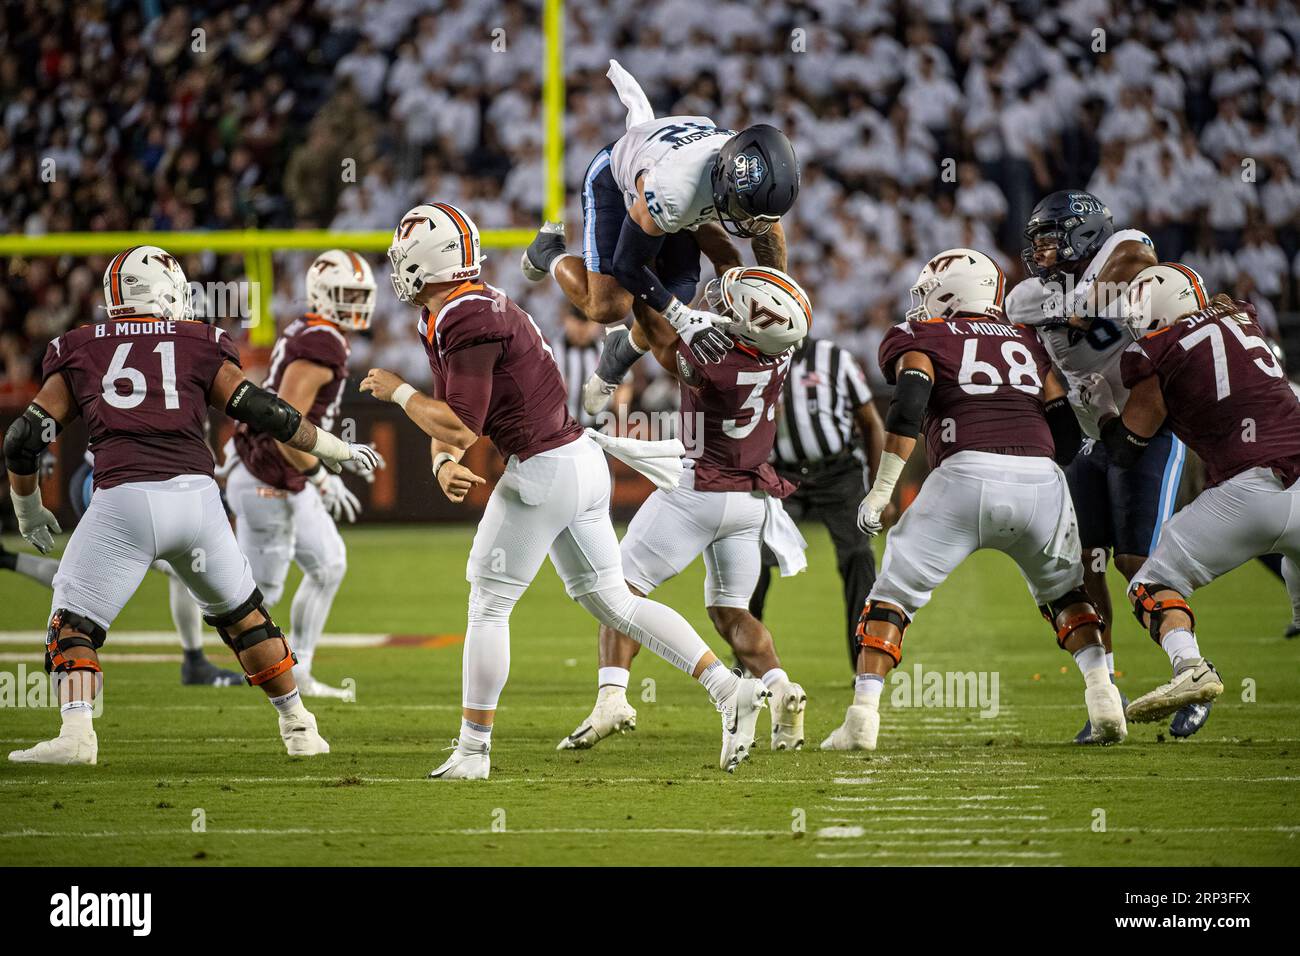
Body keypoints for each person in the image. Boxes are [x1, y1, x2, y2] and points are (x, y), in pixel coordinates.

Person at [361, 202, 771, 778]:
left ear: (431, 261)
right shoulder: (460, 309)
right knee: (616, 603)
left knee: (488, 604)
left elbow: (458, 423)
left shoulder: (464, 316)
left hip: (545, 469)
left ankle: (474, 751)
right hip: (577, 461)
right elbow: (452, 419)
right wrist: (440, 462)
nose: (398, 264)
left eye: (406, 253)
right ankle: (731, 690)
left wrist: (399, 393)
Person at [5, 245, 378, 765]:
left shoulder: (80, 347)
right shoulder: (197, 340)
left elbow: (22, 441)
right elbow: (265, 411)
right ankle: (299, 726)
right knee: (247, 619)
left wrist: (27, 508)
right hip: (198, 503)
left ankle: (77, 736)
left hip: (123, 503)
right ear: (168, 291)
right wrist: (334, 449)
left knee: (75, 625)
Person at [821, 248, 1122, 750]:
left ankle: (863, 719)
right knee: (1067, 594)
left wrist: (881, 491)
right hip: (1041, 477)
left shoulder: (920, 336)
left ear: (952, 290)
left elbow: (909, 403)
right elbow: (1066, 434)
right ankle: (1103, 699)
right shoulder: (1027, 339)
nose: (920, 304)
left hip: (964, 474)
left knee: (890, 598)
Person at [558, 266, 813, 752]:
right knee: (731, 612)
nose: (719, 307)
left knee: (619, 590)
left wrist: (632, 271)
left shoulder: (715, 358)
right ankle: (781, 688)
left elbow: (653, 330)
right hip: (750, 500)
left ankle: (612, 696)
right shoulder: (778, 352)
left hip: (698, 490)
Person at [1004, 189, 1208, 740]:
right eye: (1037, 242)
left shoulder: (1120, 252)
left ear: (1084, 233)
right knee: (1083, 564)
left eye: (1050, 239)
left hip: (1149, 428)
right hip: (1091, 437)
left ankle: (1191, 668)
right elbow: (1029, 359)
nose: (1040, 252)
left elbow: (1135, 256)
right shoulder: (1026, 297)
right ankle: (1106, 693)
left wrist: (1083, 304)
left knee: (1136, 561)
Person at [1078, 263, 1300, 722]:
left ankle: (1191, 667)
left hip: (1251, 489)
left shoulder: (1158, 350)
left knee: (1151, 583)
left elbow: (1126, 449)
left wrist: (1102, 410)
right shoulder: (1241, 317)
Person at [521, 60, 797, 413]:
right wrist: (682, 317)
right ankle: (548, 250)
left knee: (715, 271)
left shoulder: (748, 177)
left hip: (674, 180)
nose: (751, 223)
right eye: (745, 212)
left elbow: (767, 232)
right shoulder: (673, 191)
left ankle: (620, 353)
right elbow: (628, 266)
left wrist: (780, 300)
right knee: (610, 307)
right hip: (622, 184)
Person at [226, 250, 385, 698]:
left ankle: (300, 670)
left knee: (328, 563)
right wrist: (320, 475)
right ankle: (172, 564)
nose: (355, 303)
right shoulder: (323, 341)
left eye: (360, 294)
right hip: (269, 477)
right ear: (321, 293)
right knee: (256, 592)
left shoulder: (313, 330)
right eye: (345, 294)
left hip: (276, 474)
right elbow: (284, 428)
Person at [750, 335, 885, 670]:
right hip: (782, 476)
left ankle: (864, 663)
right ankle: (747, 658)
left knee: (858, 558)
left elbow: (870, 421)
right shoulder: (753, 358)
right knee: (750, 561)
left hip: (838, 473)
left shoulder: (834, 357)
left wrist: (882, 490)